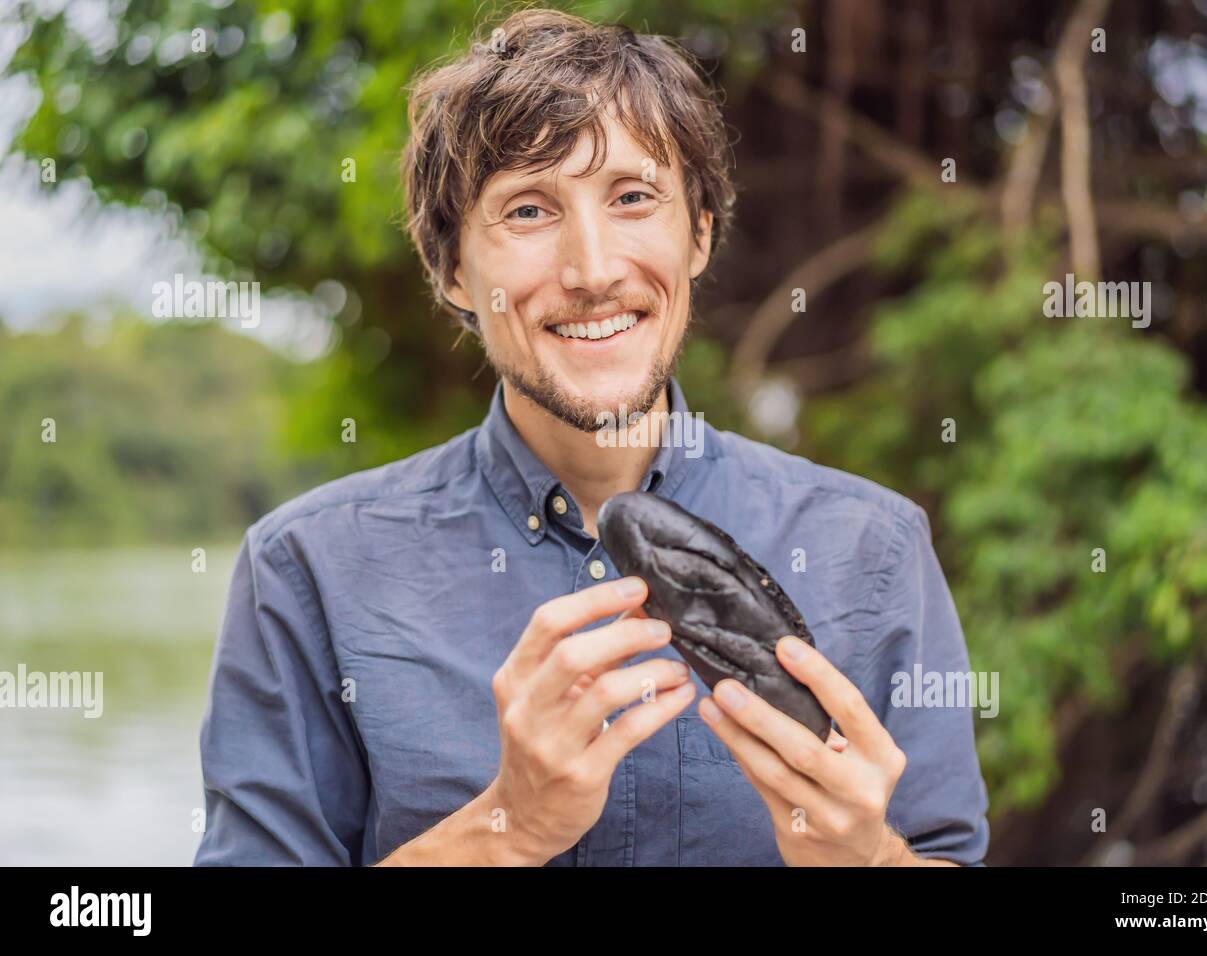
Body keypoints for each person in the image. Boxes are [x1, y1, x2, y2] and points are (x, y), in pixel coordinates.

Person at [195, 8, 989, 866]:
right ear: (452, 271)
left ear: (700, 234)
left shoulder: (875, 546)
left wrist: (869, 857)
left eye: (634, 197)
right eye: (529, 210)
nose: (593, 269)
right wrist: (505, 828)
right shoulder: (306, 568)